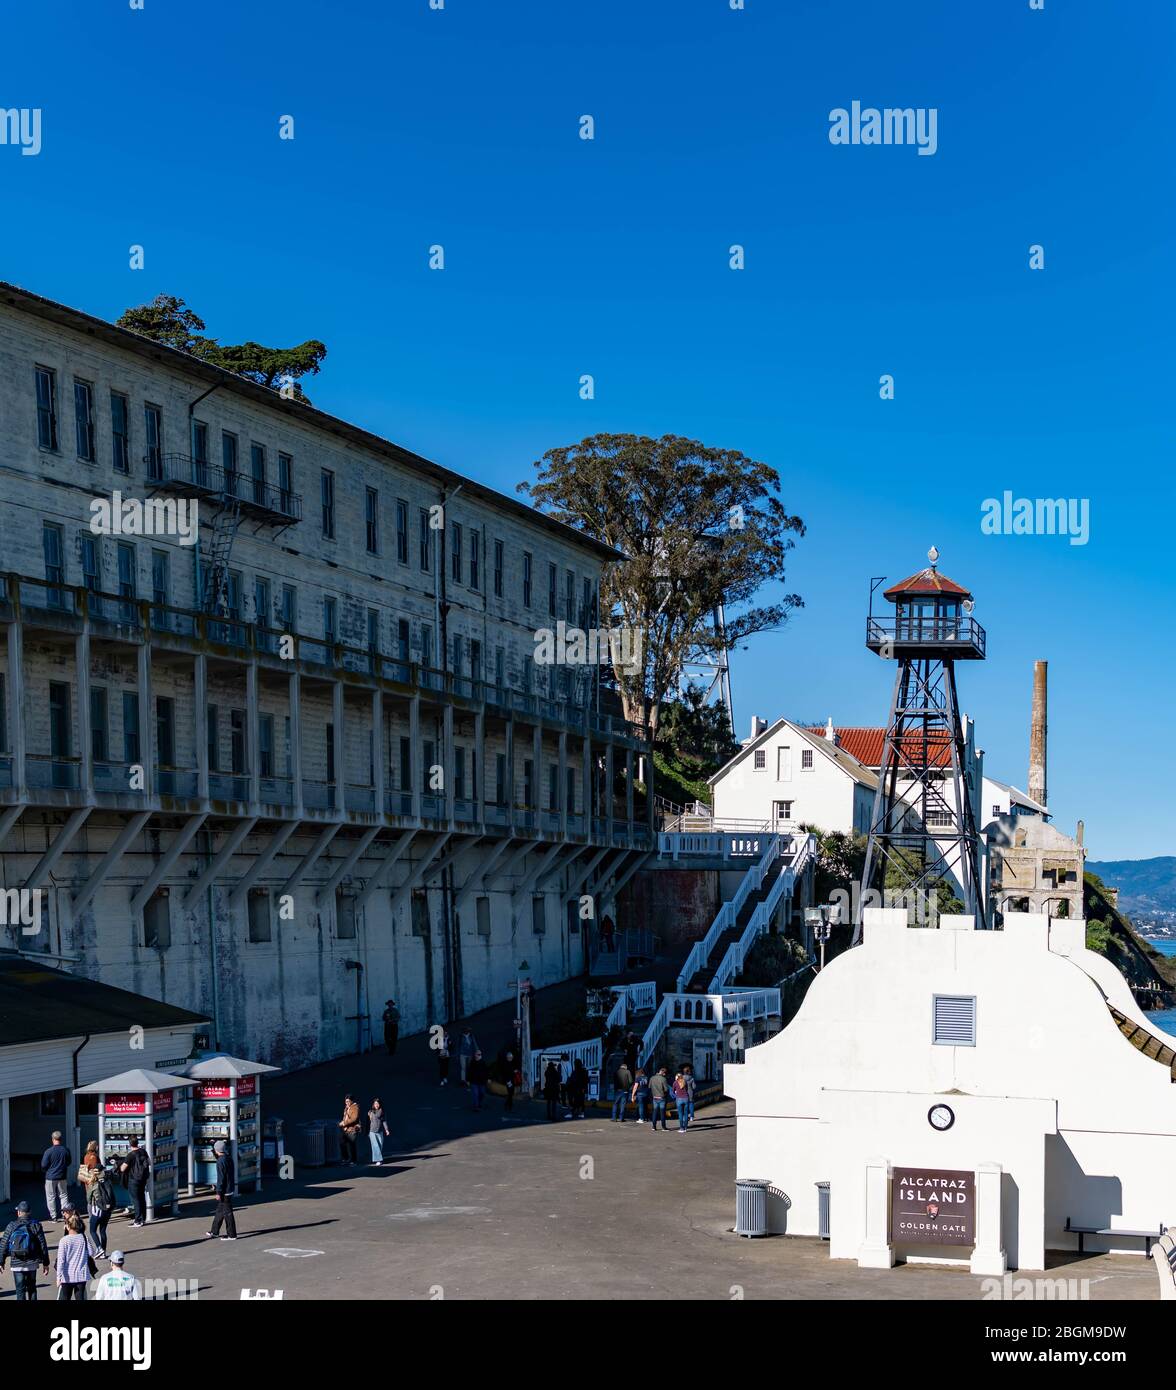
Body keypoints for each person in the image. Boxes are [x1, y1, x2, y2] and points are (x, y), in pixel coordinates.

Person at [0, 1199, 49, 1300]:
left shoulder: (12, 1225)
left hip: (16, 1263)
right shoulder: (35, 1225)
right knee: (32, 1288)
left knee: (20, 1290)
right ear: (29, 1212)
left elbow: (3, 1244)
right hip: (32, 1263)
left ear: (18, 1212)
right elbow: (43, 1244)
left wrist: (1, 1261)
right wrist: (45, 1263)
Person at [85, 1155, 116, 1258]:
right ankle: (103, 1251)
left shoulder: (93, 1183)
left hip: (98, 1208)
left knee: (92, 1230)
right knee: (102, 1230)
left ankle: (99, 1248)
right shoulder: (107, 1180)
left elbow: (89, 1198)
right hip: (108, 1209)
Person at [206, 1140, 237, 1240]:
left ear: (217, 1150)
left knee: (228, 1213)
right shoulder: (228, 1158)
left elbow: (221, 1178)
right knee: (220, 1211)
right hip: (230, 1187)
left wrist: (218, 1192)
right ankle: (215, 1231)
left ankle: (232, 1234)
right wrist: (213, 1146)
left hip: (225, 1191)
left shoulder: (220, 1161)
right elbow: (219, 1156)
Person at [55, 1213, 90, 1301]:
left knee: (65, 1297)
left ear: (68, 1226)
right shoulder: (84, 1238)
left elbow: (61, 1260)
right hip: (81, 1275)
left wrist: (58, 1277)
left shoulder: (64, 1240)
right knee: (80, 1297)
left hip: (67, 1276)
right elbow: (92, 1252)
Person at [41, 1129, 72, 1223]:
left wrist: (49, 1170)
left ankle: (53, 1217)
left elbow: (43, 1165)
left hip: (50, 1177)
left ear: (52, 1139)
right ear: (60, 1139)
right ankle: (65, 1215)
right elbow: (69, 1162)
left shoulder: (48, 1151)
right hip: (62, 1176)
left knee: (51, 1197)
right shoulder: (65, 1150)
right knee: (63, 1195)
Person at [119, 1137, 150, 1227]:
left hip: (134, 1179)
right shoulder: (143, 1152)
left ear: (130, 1144)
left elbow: (122, 1168)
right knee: (141, 1198)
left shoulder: (130, 1155)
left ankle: (138, 1221)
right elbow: (149, 1162)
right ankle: (143, 1219)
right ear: (137, 1143)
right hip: (143, 1178)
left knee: (135, 1200)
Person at [339, 1093, 361, 1164]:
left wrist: (344, 1123)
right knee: (342, 1143)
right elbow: (345, 1117)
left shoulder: (355, 1107)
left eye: (348, 1101)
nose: (347, 1103)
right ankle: (345, 1158)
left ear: (352, 1101)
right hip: (346, 1130)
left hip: (352, 1129)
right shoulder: (346, 1107)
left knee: (352, 1145)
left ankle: (353, 1160)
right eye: (346, 1101)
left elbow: (354, 1119)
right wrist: (342, 1122)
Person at [649, 1066, 671, 1131]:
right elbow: (666, 1089)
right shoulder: (663, 1079)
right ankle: (663, 1127)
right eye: (665, 1073)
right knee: (662, 1113)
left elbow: (649, 1087)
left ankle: (653, 1126)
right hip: (662, 1098)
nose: (665, 1075)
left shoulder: (652, 1078)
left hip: (654, 1097)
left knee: (655, 1112)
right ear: (663, 1072)